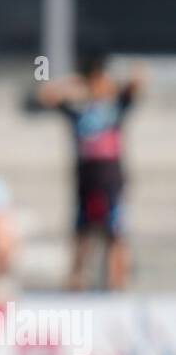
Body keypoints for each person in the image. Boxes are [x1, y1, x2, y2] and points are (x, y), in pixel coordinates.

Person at [35, 54, 144, 291]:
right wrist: (76, 83)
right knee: (81, 234)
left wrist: (111, 83)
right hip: (85, 179)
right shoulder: (78, 109)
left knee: (115, 234)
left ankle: (117, 286)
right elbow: (47, 95)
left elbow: (139, 78)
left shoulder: (116, 105)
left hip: (111, 179)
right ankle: (76, 285)